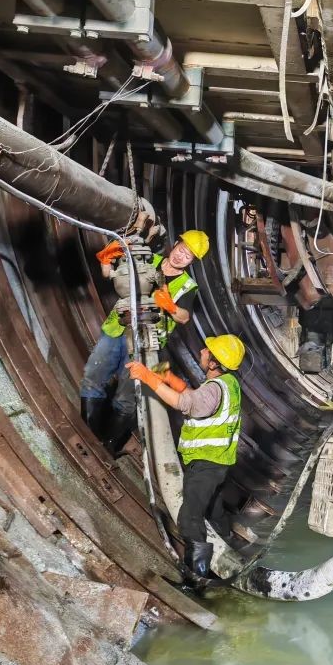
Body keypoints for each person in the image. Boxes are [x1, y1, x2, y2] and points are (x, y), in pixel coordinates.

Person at [126, 334, 245, 586]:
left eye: (207, 350)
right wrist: (169, 378)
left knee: (189, 520)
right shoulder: (227, 383)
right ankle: (227, 559)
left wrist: (148, 377)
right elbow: (195, 398)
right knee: (214, 511)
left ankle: (198, 581)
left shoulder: (214, 389)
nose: (202, 350)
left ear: (213, 363)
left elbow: (185, 403)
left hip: (205, 465)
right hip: (218, 464)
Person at [79, 230, 210, 453]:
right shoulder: (149, 259)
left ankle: (107, 444)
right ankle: (87, 432)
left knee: (126, 396)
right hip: (117, 329)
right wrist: (106, 260)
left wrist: (170, 306)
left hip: (145, 343)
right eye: (181, 249)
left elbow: (185, 317)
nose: (181, 256)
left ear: (192, 261)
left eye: (188, 256)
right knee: (93, 376)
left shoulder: (187, 286)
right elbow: (111, 275)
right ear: (175, 244)